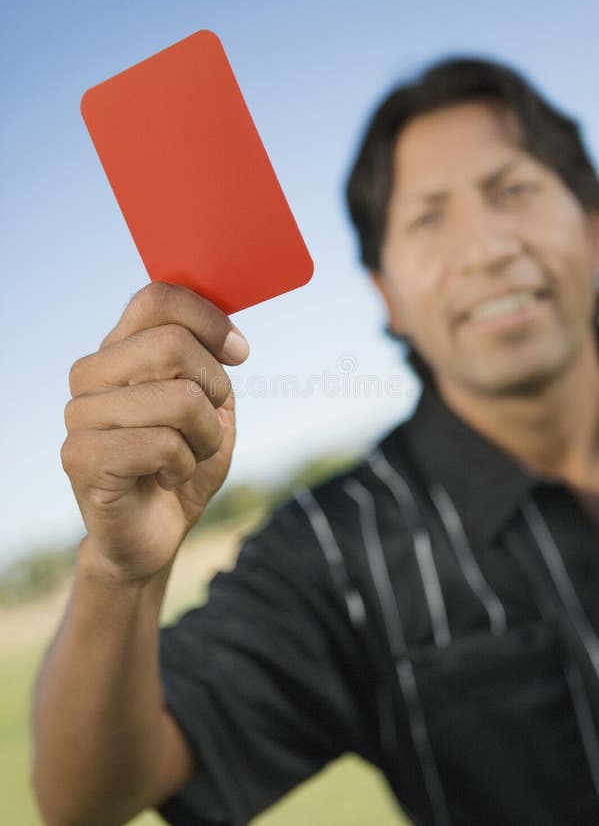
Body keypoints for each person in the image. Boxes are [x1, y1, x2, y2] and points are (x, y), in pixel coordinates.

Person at [31, 56, 599, 826]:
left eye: (513, 191)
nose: (485, 248)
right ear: (387, 295)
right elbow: (84, 799)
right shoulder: (333, 554)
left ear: (590, 228)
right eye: (427, 218)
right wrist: (118, 574)